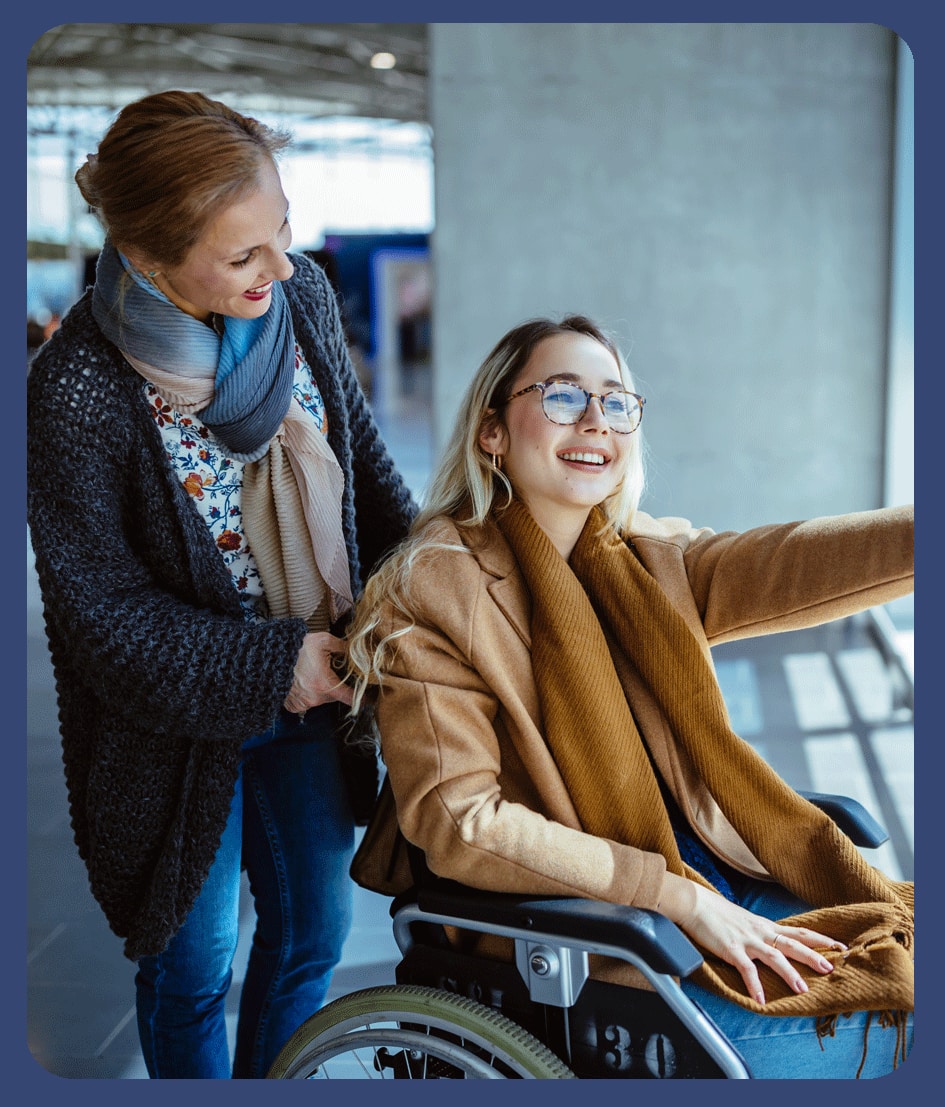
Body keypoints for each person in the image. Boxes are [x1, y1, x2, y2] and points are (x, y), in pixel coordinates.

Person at [344, 314, 914, 1079]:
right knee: (894, 1014)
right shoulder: (433, 587)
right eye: (561, 396)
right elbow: (461, 821)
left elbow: (791, 561)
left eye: (615, 402)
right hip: (583, 940)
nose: (594, 421)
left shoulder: (643, 557)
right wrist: (671, 897)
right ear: (491, 430)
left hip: (708, 883)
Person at [26, 90, 418, 1079]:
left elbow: (366, 474)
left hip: (319, 701)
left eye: (281, 231)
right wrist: (280, 663)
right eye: (244, 255)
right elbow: (101, 621)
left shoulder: (305, 303)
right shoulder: (77, 385)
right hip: (170, 736)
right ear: (150, 254)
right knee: (193, 969)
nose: (280, 268)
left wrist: (433, 586)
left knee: (309, 944)